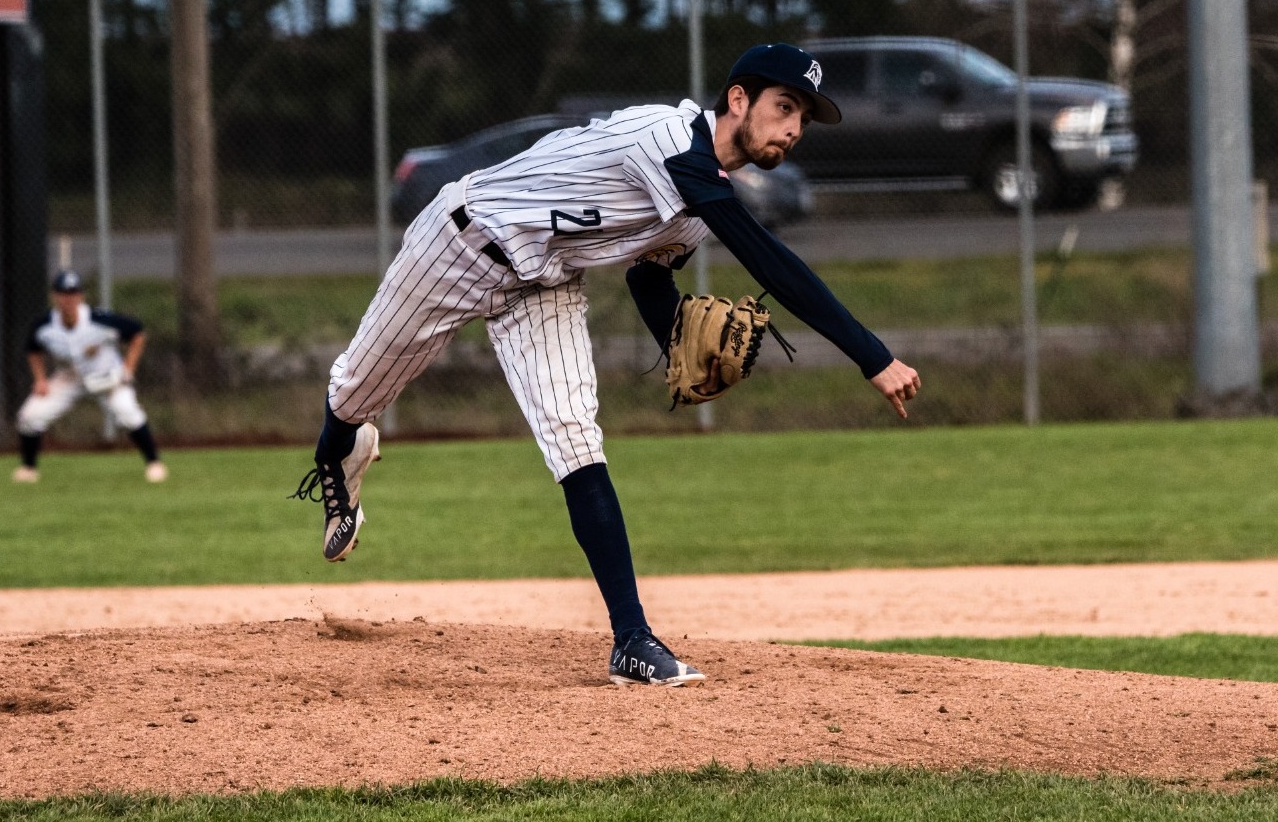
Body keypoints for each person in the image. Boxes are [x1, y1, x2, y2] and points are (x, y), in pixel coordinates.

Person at [291, 43, 920, 687]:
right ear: (738, 101)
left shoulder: (704, 198)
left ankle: (632, 641)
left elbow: (650, 280)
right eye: (784, 106)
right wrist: (872, 356)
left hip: (548, 280)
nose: (792, 128)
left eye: (804, 119)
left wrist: (678, 342)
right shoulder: (671, 141)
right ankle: (337, 454)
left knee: (576, 439)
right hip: (460, 240)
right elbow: (768, 260)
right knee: (354, 392)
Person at [12, 269, 168, 484]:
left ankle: (154, 463)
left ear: (80, 296)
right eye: (64, 293)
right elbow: (33, 349)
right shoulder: (44, 324)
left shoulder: (99, 318)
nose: (69, 299)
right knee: (30, 416)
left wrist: (128, 369)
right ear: (54, 296)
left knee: (127, 411)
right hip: (71, 377)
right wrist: (40, 379)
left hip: (106, 376)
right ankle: (28, 469)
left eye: (73, 293)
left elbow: (138, 333)